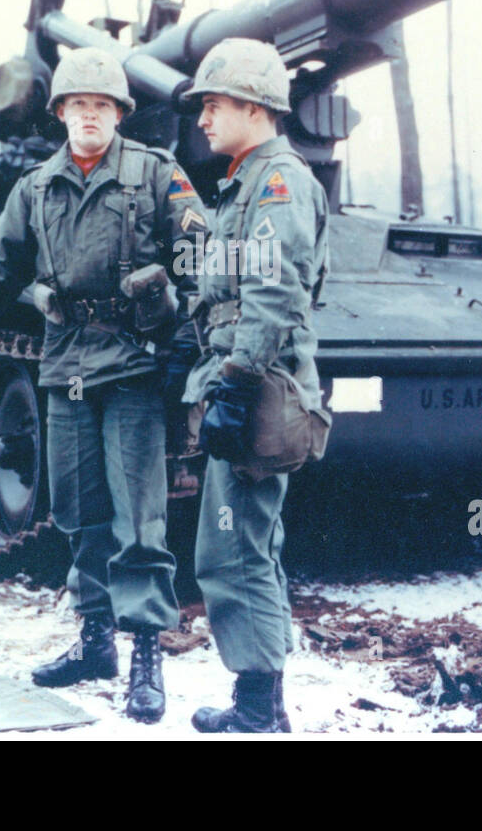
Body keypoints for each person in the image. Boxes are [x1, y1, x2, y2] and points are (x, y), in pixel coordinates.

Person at [0, 46, 208, 724]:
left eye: (102, 105)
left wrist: (188, 346)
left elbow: (204, 263)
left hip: (135, 366)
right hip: (66, 367)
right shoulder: (35, 188)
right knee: (79, 511)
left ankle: (145, 649)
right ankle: (93, 640)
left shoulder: (156, 175)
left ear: (120, 113)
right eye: (78, 105)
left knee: (139, 517)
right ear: (60, 113)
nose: (90, 116)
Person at [175, 37, 329, 732]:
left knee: (236, 548)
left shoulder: (276, 181)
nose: (203, 119)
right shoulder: (245, 181)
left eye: (213, 104)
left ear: (253, 106)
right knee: (240, 545)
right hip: (244, 377)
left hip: (257, 386)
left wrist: (234, 384)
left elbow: (273, 292)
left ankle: (260, 709)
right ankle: (259, 700)